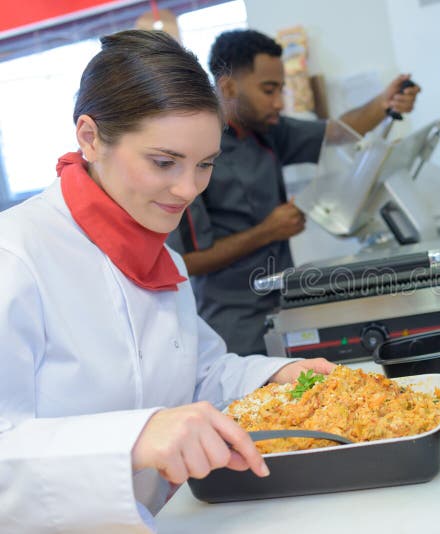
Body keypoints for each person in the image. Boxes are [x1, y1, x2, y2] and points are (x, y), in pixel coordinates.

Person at [0, 30, 334, 533]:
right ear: (89, 138)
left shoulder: (162, 260)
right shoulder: (17, 257)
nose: (187, 190)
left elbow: (197, 375)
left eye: (204, 166)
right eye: (163, 163)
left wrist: (273, 379)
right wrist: (135, 438)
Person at [167, 29, 422, 356]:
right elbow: (186, 262)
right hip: (234, 324)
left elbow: (337, 133)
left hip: (284, 302)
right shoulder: (194, 152)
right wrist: (268, 231)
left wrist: (384, 103)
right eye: (268, 90)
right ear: (228, 87)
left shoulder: (268, 130)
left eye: (281, 89)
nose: (278, 102)